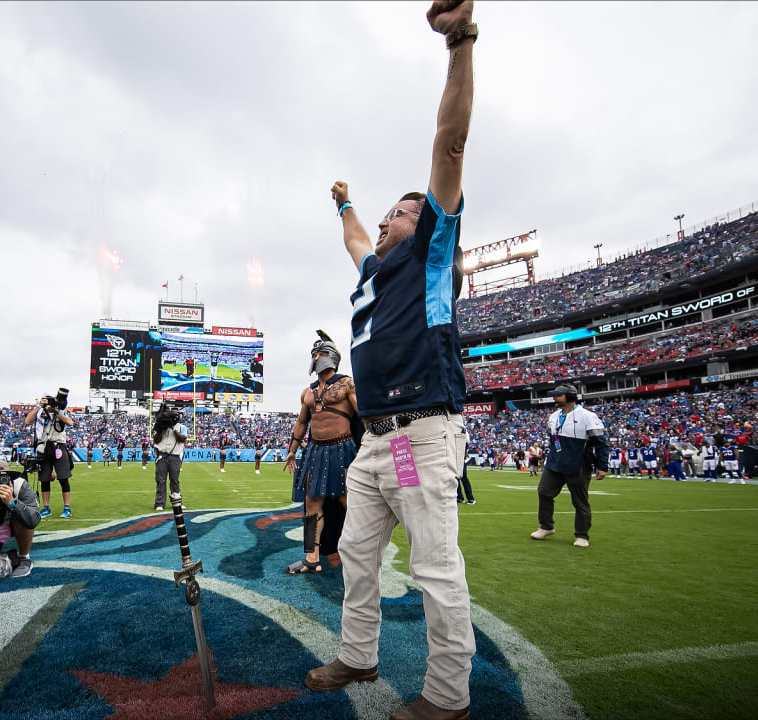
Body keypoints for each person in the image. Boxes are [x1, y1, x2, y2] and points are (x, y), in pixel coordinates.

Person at [304, 3, 477, 717]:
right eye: (383, 218)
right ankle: (359, 655)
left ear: (426, 223)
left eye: (396, 215)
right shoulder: (372, 270)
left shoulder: (430, 254)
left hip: (417, 432)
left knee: (436, 569)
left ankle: (447, 696)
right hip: (375, 442)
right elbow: (352, 239)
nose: (384, 222)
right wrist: (345, 204)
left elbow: (451, 143)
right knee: (359, 562)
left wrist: (460, 43)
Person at [284, 332, 358, 574]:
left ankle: (360, 557)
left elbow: (365, 417)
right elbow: (301, 423)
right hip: (315, 451)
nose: (316, 357)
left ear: (332, 357)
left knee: (352, 503)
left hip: (343, 448)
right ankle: (311, 558)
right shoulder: (308, 392)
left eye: (321, 353)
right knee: (311, 504)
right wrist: (292, 451)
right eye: (314, 354)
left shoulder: (347, 384)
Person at [531, 385, 608, 548]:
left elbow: (601, 443)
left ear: (570, 397)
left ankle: (581, 535)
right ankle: (546, 526)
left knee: (580, 501)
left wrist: (602, 466)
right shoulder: (553, 416)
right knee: (544, 492)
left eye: (558, 396)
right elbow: (553, 440)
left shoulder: (587, 416)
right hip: (555, 462)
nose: (554, 398)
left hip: (578, 463)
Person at [24, 395, 75, 519]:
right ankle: (46, 508)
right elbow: (27, 421)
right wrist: (39, 406)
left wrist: (56, 411)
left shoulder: (60, 412)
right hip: (44, 447)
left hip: (58, 446)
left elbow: (69, 422)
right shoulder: (40, 413)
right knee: (44, 479)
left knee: (63, 478)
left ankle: (67, 508)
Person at [151, 404, 187, 511]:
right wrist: (159, 429)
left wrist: (173, 428)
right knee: (160, 480)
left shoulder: (182, 427)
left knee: (174, 480)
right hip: (162, 455)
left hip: (175, 456)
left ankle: (177, 502)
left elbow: (182, 439)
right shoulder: (162, 426)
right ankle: (159, 504)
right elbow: (156, 440)